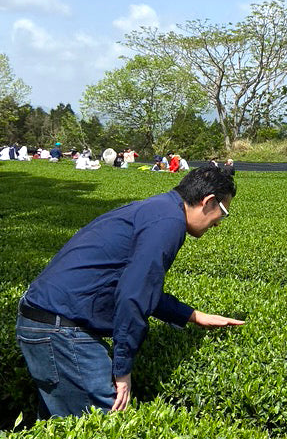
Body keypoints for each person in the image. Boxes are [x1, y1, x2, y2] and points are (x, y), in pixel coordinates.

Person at [15, 165, 244, 419]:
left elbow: (140, 287)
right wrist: (122, 369)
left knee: (60, 434)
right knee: (102, 430)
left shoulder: (158, 209)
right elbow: (133, 295)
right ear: (208, 201)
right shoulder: (169, 223)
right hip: (62, 329)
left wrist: (192, 315)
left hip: (43, 321)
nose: (218, 224)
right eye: (223, 213)